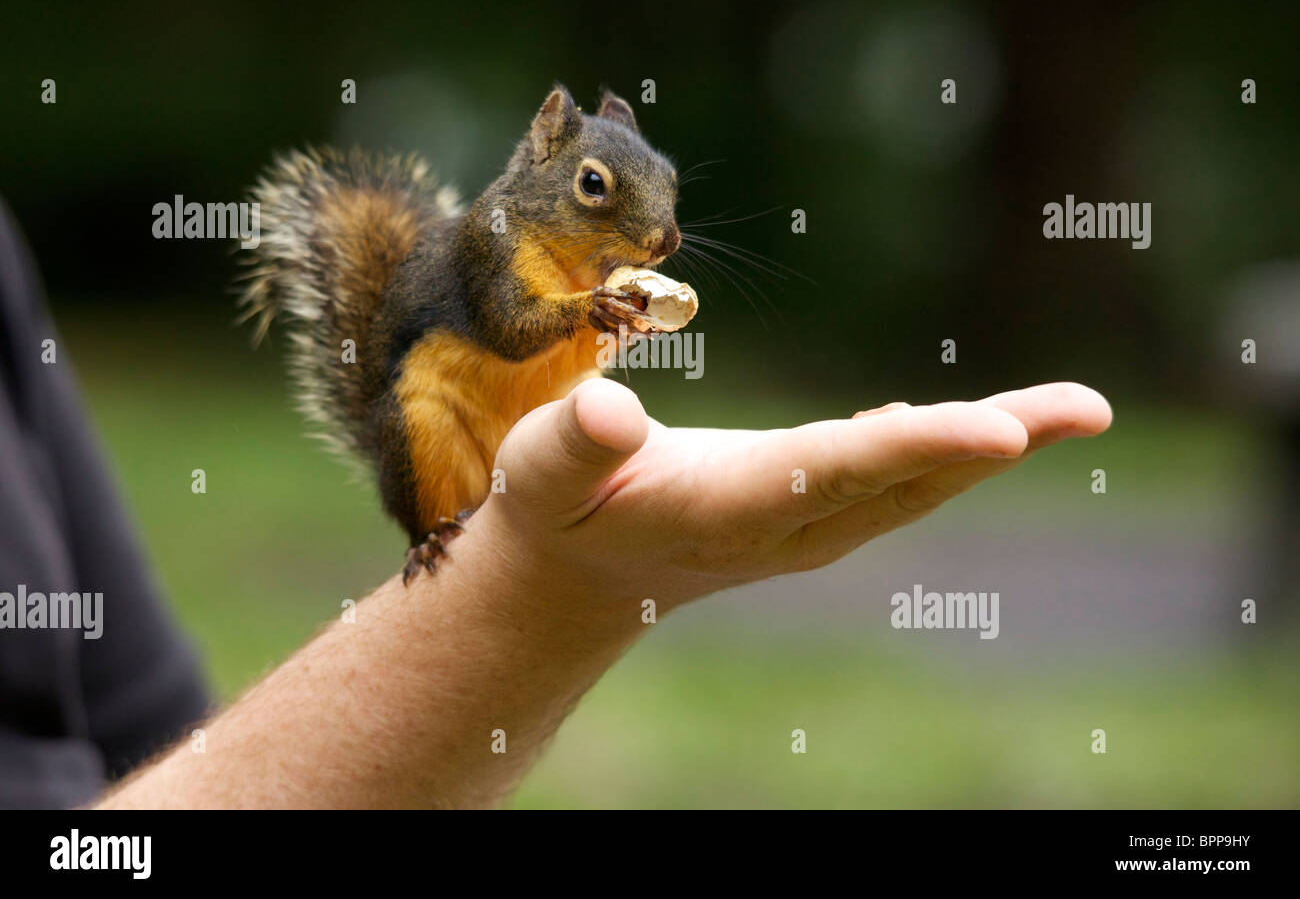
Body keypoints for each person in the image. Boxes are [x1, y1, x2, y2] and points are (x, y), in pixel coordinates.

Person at [0, 206, 1112, 809]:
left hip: (522, 432)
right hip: (447, 411)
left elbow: (155, 760)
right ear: (551, 162)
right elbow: (516, 333)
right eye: (604, 195)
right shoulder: (504, 254)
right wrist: (545, 581)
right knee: (428, 408)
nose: (642, 226)